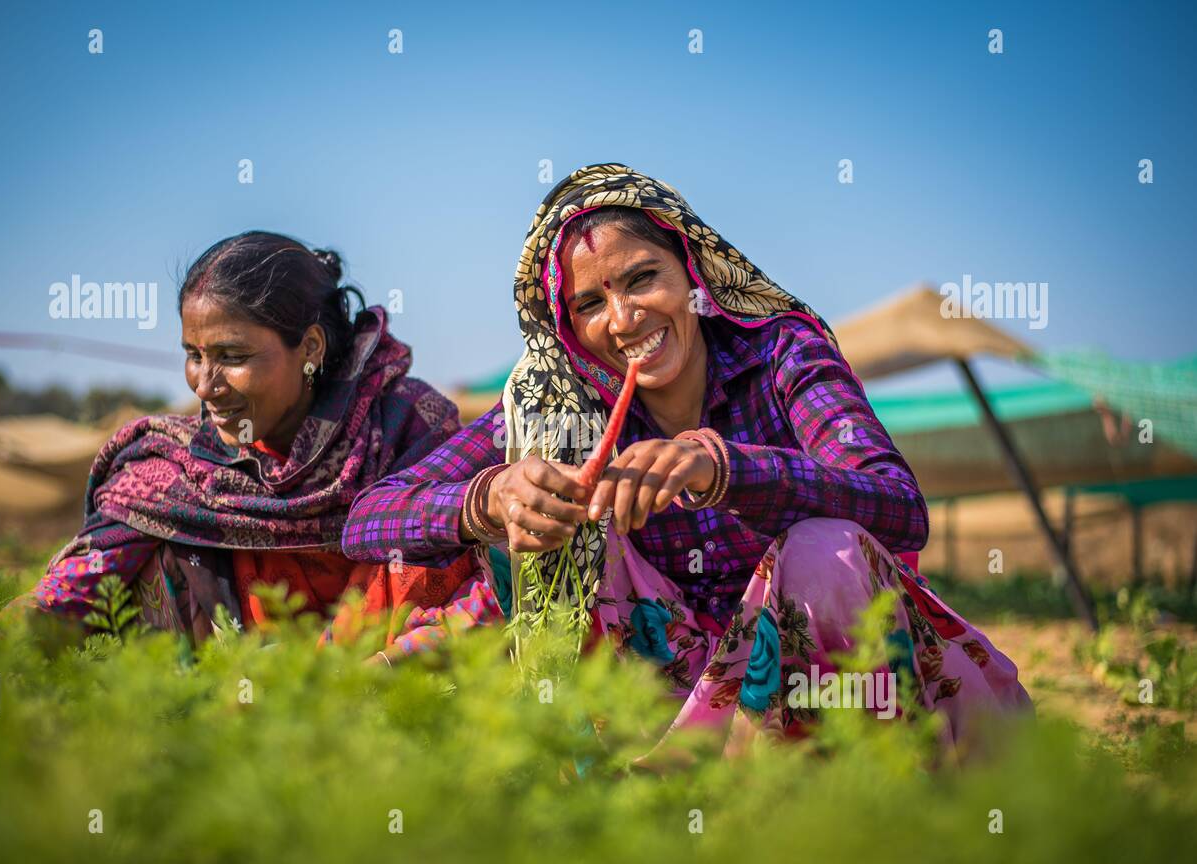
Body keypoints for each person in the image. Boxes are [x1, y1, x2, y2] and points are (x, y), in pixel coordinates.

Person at [342, 164, 1032, 758]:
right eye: (589, 303)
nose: (624, 319)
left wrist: (724, 467)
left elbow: (897, 506)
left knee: (827, 548)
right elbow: (367, 518)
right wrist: (488, 498)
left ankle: (843, 792)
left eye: (643, 278)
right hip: (663, 701)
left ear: (694, 274)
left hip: (822, 683)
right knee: (551, 536)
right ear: (567, 325)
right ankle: (613, 781)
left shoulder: (781, 355)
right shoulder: (555, 406)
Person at [21, 231, 482, 658]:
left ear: (311, 348)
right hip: (232, 698)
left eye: (232, 357)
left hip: (381, 683)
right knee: (167, 548)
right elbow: (75, 589)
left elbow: (475, 584)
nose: (204, 385)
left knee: (424, 547)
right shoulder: (174, 468)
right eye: (194, 356)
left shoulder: (403, 425)